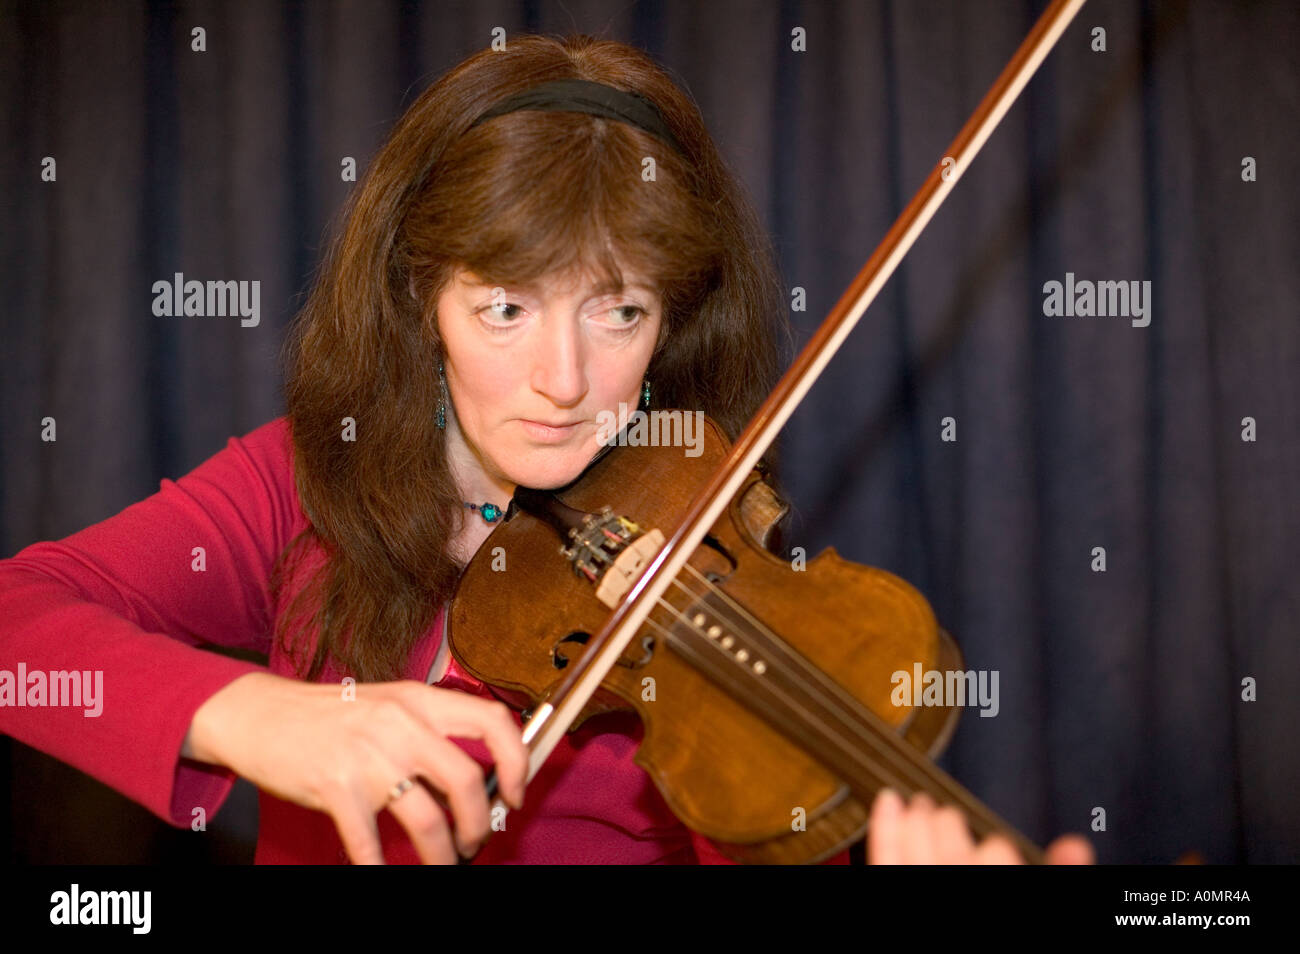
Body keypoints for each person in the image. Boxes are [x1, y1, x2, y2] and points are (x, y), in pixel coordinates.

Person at [0, 33, 1091, 865]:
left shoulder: (700, 543)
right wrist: (249, 715)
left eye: (619, 312)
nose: (564, 382)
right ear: (421, 299)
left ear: (673, 320)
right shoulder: (308, 484)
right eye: (506, 309)